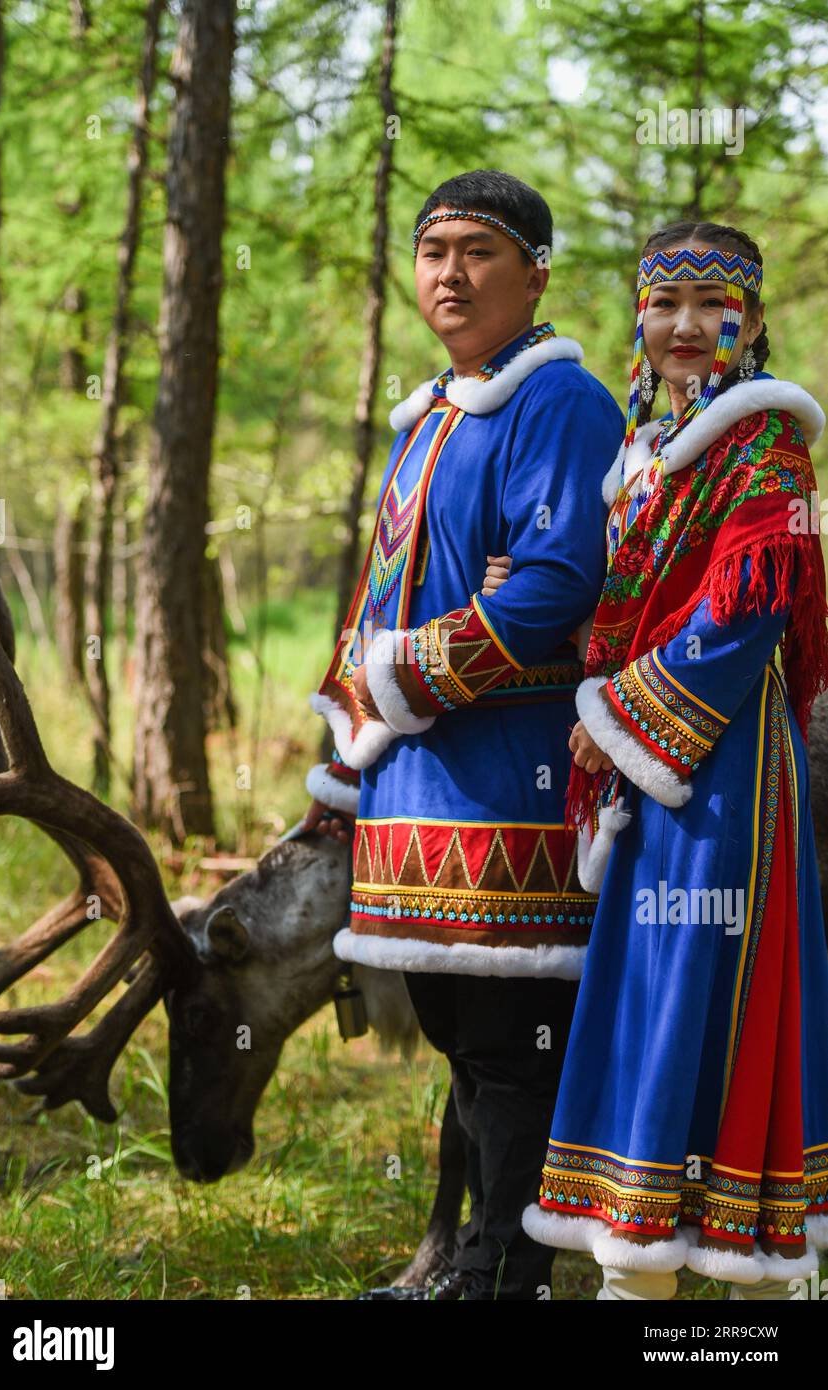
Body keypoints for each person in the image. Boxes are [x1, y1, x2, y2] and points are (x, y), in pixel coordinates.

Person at [302, 169, 624, 1299]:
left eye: (478, 251)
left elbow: (548, 584)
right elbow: (381, 601)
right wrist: (343, 748)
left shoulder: (562, 403)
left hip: (510, 799)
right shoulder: (433, 410)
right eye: (434, 250)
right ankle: (474, 1258)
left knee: (512, 1041)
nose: (449, 271)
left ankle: (512, 1271)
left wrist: (403, 671)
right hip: (412, 797)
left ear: (535, 272)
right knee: (462, 1042)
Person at [500, 221, 828, 1300]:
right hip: (655, 770)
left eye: (712, 305)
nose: (685, 326)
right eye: (664, 304)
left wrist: (616, 718)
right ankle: (638, 1259)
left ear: (752, 321)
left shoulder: (768, 442)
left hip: (721, 765)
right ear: (637, 318)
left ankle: (743, 1273)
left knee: (711, 977)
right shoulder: (642, 448)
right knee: (647, 985)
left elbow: (748, 617)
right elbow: (623, 595)